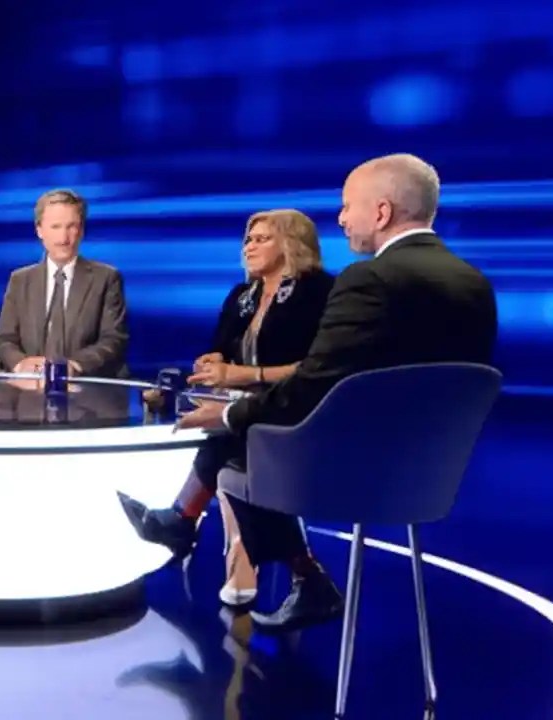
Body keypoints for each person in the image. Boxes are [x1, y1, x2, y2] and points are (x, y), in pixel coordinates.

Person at [178, 153, 498, 632]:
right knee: (245, 438)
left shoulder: (367, 280)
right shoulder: (474, 284)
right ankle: (283, 571)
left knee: (236, 452)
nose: (342, 218)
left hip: (354, 473)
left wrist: (230, 415)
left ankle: (292, 572)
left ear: (382, 212)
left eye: (348, 206)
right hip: (430, 477)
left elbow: (313, 385)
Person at [119, 209, 334, 606]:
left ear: (292, 243)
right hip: (249, 408)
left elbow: (316, 368)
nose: (249, 246)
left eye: (262, 239)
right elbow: (221, 348)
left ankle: (183, 519)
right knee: (233, 450)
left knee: (234, 437)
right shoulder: (242, 296)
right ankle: (305, 574)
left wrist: (241, 374)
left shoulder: (318, 292)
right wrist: (213, 364)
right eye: (247, 239)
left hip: (299, 408)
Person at [0, 189, 129, 378]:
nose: (64, 238)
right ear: (39, 230)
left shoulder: (106, 278)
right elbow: (4, 339)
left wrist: (74, 366)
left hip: (87, 388)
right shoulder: (20, 280)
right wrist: (21, 364)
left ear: (81, 230)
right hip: (28, 389)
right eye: (55, 227)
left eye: (71, 226)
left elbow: (113, 339)